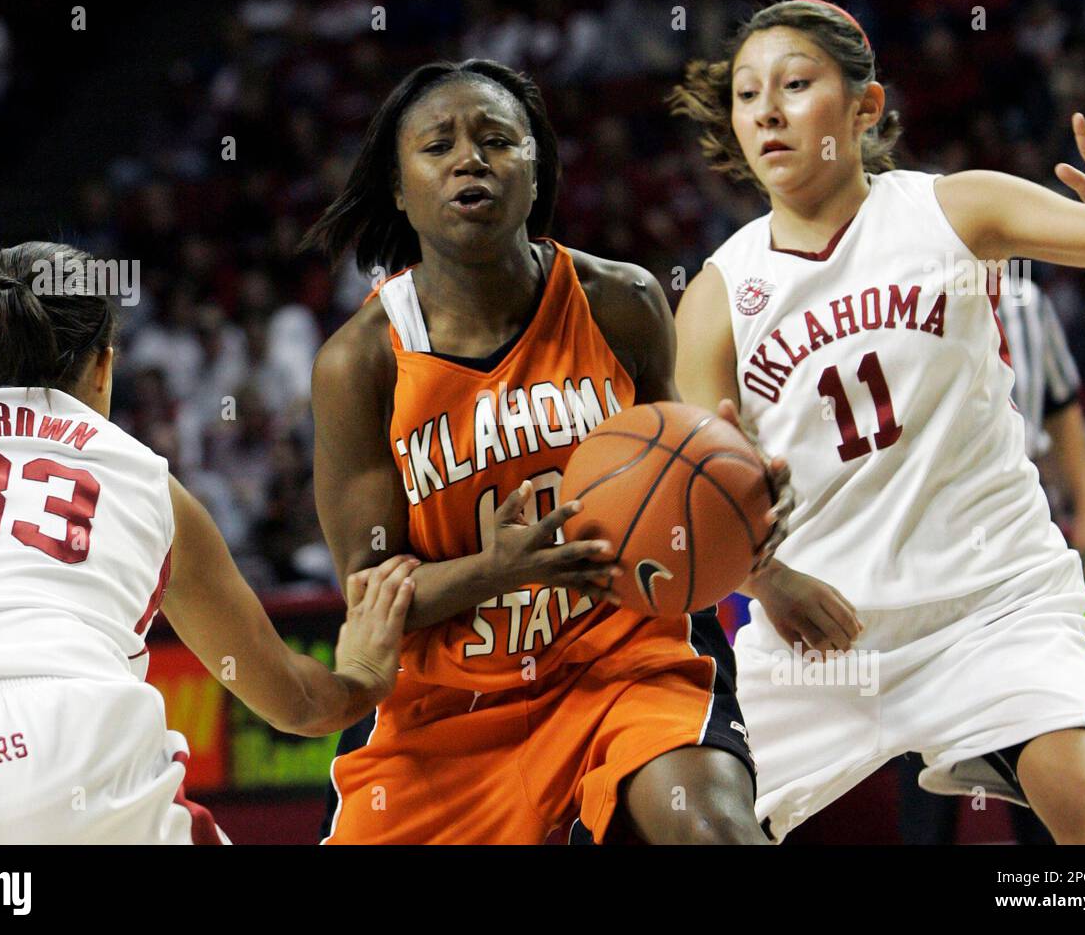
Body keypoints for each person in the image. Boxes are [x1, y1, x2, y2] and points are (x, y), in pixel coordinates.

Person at [670, 0, 1085, 843]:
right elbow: (702, 497)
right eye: (748, 95)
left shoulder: (955, 210)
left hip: (992, 607)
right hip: (817, 635)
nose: (767, 111)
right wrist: (768, 582)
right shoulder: (719, 296)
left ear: (865, 108)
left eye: (795, 85)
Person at [307, 59, 789, 844]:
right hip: (445, 710)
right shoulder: (360, 363)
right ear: (400, 189)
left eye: (498, 140)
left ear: (536, 175)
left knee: (713, 833)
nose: (471, 159)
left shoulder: (621, 303)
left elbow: (690, 492)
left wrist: (749, 513)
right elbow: (371, 597)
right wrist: (499, 572)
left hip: (623, 661)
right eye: (439, 147)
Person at [0, 242, 415, 844]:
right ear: (105, 369)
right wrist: (362, 676)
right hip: (66, 743)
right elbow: (294, 704)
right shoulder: (149, 483)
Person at [897, 276, 1085, 844]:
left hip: (1022, 530)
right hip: (930, 549)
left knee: (1041, 720)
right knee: (923, 748)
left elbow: (1063, 406)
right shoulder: (894, 298)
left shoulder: (1026, 301)